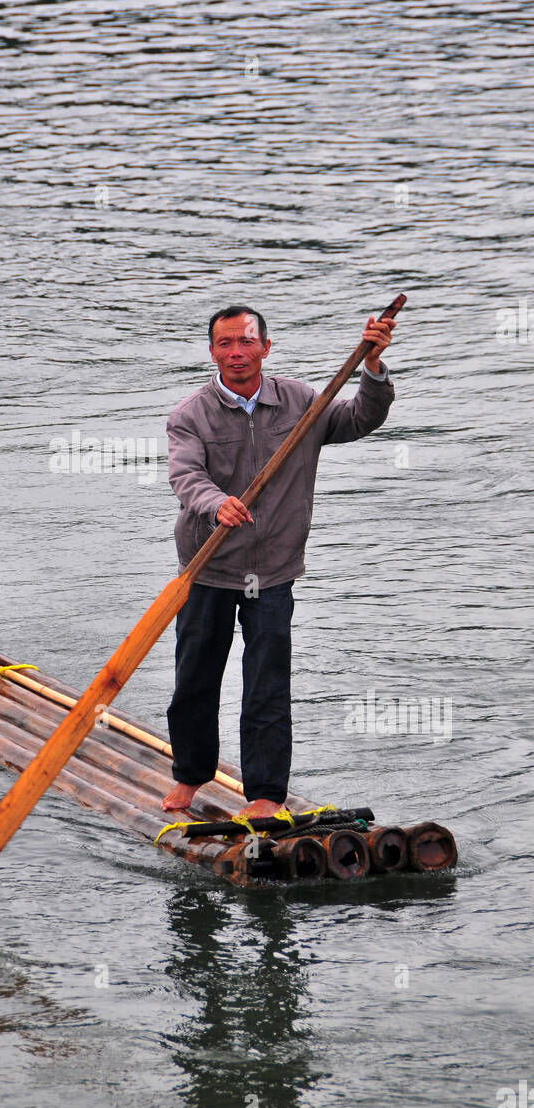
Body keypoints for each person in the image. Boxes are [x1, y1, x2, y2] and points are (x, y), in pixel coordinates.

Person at [162, 304, 395, 818]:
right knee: (195, 678)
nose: (236, 353)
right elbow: (185, 476)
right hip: (208, 566)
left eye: (246, 342)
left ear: (265, 347)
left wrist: (373, 366)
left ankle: (266, 793)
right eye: (225, 344)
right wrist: (213, 500)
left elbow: (361, 418)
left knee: (267, 682)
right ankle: (189, 777)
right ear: (212, 352)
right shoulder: (189, 415)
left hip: (273, 572)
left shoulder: (302, 402)